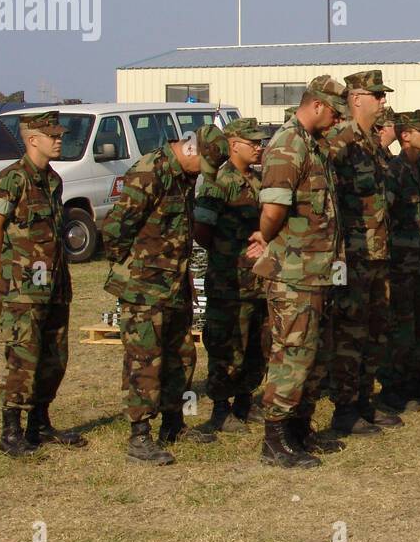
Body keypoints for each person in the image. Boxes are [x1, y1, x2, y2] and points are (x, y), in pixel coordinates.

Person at [102, 123, 229, 465]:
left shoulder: (183, 176)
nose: (202, 175)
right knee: (145, 359)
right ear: (190, 149)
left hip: (174, 284)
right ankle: (139, 436)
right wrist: (135, 270)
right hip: (144, 288)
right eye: (202, 166)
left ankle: (173, 424)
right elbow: (115, 230)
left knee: (182, 355)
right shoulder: (149, 173)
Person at [247, 75, 347, 468]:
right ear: (317, 105)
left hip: (315, 271)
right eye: (334, 112)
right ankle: (274, 439)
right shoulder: (289, 143)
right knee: (292, 354)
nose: (337, 120)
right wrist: (264, 235)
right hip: (293, 273)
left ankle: (297, 431)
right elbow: (273, 208)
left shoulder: (312, 145)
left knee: (310, 355)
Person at [0, 111, 84, 456]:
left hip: (54, 283)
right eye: (52, 135)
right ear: (32, 140)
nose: (59, 140)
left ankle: (39, 423)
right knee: (23, 358)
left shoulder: (53, 180)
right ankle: (11, 431)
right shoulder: (12, 178)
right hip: (24, 288)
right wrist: (4, 266)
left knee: (54, 356)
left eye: (59, 135)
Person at [321, 70, 401, 435]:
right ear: (356, 98)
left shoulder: (370, 143)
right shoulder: (340, 142)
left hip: (378, 253)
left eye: (383, 96)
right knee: (349, 333)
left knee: (374, 330)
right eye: (377, 95)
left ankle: (365, 400)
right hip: (352, 256)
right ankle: (345, 409)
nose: (382, 101)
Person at [194, 118, 272, 434]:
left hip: (258, 281)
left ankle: (244, 401)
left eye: (260, 142)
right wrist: (227, 253)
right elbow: (201, 230)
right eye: (252, 142)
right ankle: (220, 409)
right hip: (229, 282)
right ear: (232, 144)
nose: (259, 147)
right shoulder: (218, 183)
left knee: (257, 344)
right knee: (227, 345)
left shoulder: (257, 181)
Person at [380, 110, 420, 412]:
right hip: (400, 262)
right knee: (400, 326)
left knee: (419, 322)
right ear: (406, 136)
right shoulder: (395, 172)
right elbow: (384, 219)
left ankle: (414, 378)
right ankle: (393, 386)